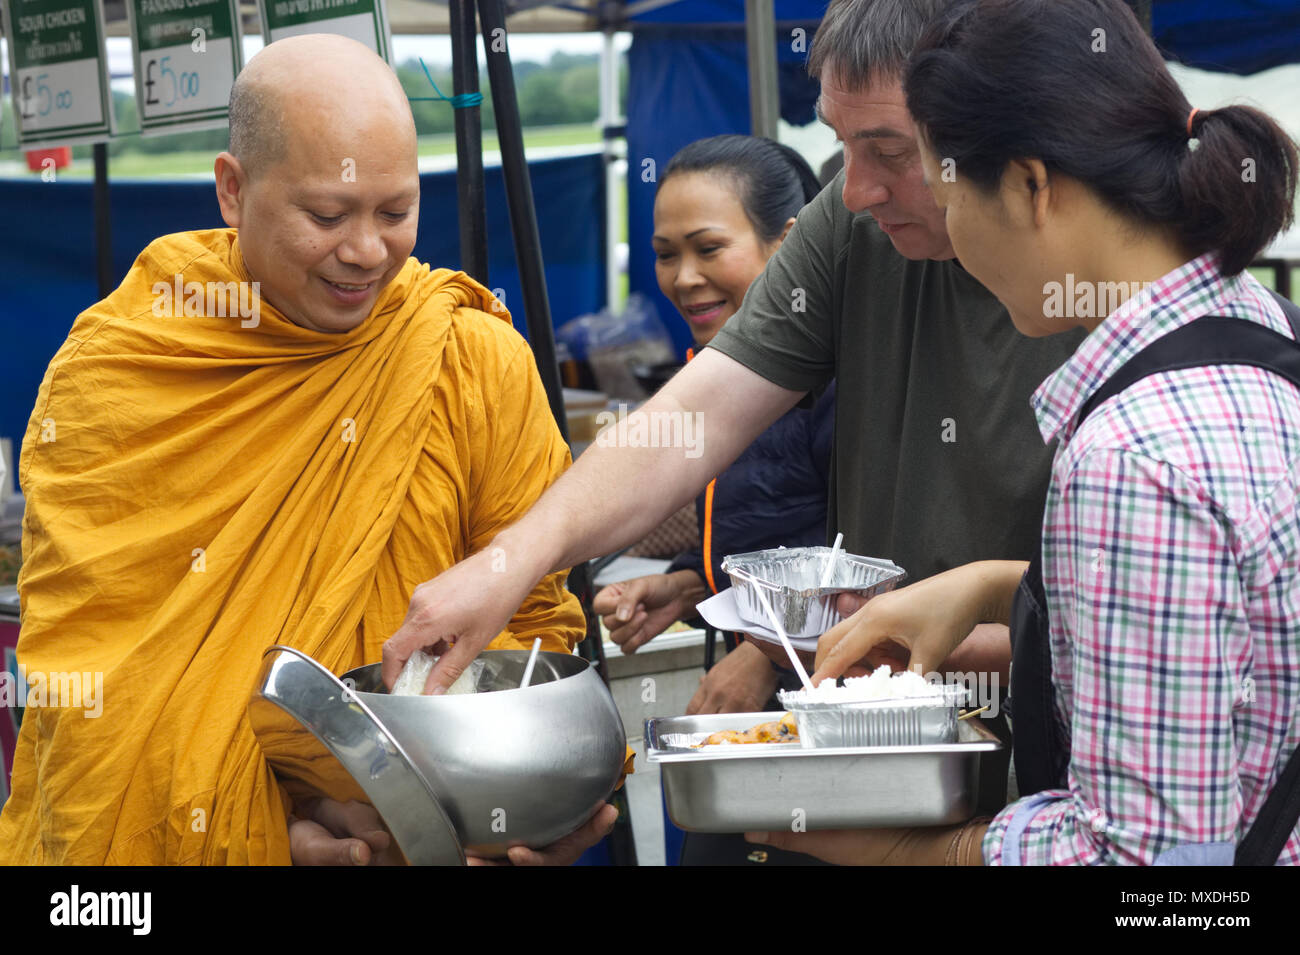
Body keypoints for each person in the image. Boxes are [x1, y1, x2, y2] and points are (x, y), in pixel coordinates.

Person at [383, 0, 1077, 745]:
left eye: (891, 152)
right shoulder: (851, 227)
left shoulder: (1116, 278)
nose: (853, 189)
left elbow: (1152, 618)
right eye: (843, 145)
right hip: (879, 720)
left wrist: (945, 640)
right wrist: (508, 564)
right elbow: (695, 417)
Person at [0, 34, 617, 866]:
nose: (366, 252)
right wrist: (275, 819)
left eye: (395, 212)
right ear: (232, 189)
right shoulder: (122, 367)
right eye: (327, 216)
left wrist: (491, 805)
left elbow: (533, 626)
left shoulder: (466, 357)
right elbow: (94, 686)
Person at [757, 0, 1300, 865]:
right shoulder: (1264, 336)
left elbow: (1152, 868)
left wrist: (910, 850)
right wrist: (989, 585)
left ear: (1029, 185)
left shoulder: (1131, 456)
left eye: (941, 183)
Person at [593, 135, 834, 718]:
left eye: (708, 248)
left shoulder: (838, 374)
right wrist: (688, 585)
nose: (683, 278)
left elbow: (866, 551)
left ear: (790, 240)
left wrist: (764, 655)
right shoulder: (719, 369)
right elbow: (768, 523)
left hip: (838, 700)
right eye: (666, 253)